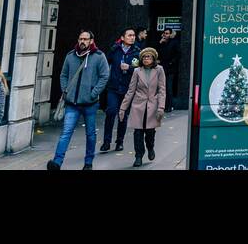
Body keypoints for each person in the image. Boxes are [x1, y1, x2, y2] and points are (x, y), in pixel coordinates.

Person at [48, 30, 109, 170]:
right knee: (65, 133)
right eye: (80, 38)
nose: (82, 41)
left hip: (90, 104)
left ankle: (88, 163)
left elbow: (104, 76)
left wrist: (93, 93)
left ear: (91, 41)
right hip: (72, 104)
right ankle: (57, 163)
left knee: (90, 134)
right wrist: (65, 90)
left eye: (86, 39)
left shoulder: (99, 56)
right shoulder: (71, 56)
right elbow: (63, 75)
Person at [119, 47, 166, 167]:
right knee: (138, 132)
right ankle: (138, 156)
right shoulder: (137, 71)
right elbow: (131, 90)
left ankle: (150, 147)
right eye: (144, 57)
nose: (146, 59)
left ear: (153, 58)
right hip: (138, 105)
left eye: (149, 57)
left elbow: (162, 90)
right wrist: (123, 108)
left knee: (150, 132)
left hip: (153, 105)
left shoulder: (159, 70)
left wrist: (161, 107)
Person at [102, 27, 141, 152]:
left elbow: (140, 70)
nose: (132, 37)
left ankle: (120, 142)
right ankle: (106, 142)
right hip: (113, 87)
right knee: (111, 112)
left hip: (127, 89)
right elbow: (105, 63)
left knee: (123, 115)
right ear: (122, 38)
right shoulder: (115, 50)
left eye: (134, 35)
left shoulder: (137, 52)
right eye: (129, 35)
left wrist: (129, 68)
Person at [157, 28, 180, 112]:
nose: (165, 35)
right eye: (164, 33)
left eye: (167, 33)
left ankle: (169, 106)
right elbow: (158, 53)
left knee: (168, 87)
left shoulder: (174, 42)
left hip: (170, 69)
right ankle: (164, 105)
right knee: (163, 88)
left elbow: (178, 54)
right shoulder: (163, 42)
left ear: (170, 34)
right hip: (162, 67)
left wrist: (171, 62)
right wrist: (160, 43)